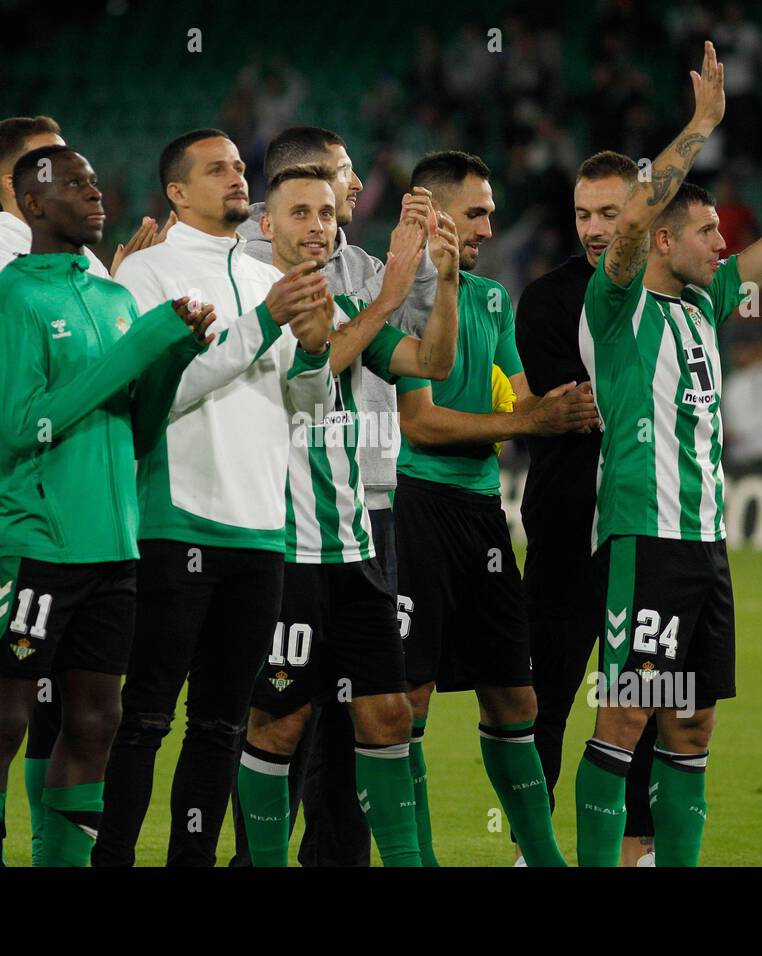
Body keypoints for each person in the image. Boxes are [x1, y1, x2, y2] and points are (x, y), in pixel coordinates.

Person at [574, 45, 762, 867]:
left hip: (705, 546)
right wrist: (701, 126)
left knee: (692, 721)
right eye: (706, 233)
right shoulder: (618, 302)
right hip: (643, 538)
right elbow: (627, 219)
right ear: (663, 240)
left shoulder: (710, 299)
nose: (722, 244)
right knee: (626, 714)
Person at [0, 145, 213, 867]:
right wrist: (143, 347)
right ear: (32, 205)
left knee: (98, 720)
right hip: (36, 538)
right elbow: (22, 423)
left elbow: (139, 428)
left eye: (96, 180)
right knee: (5, 719)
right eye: (74, 185)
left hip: (112, 542)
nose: (95, 194)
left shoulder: (114, 297)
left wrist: (174, 355)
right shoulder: (9, 297)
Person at [95, 129, 335, 867]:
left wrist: (318, 350)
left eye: (239, 165)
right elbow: (156, 396)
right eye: (218, 168)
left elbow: (308, 405)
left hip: (263, 532)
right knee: (144, 718)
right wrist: (266, 324)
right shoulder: (146, 276)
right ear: (176, 191)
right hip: (178, 520)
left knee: (222, 725)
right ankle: (111, 860)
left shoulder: (265, 275)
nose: (239, 176)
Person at [236, 163, 460, 866]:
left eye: (328, 215)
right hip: (286, 551)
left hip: (354, 545)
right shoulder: (255, 300)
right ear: (266, 226)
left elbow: (432, 359)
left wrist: (444, 282)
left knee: (388, 716)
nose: (317, 228)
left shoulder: (336, 308)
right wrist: (390, 294)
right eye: (300, 214)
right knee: (279, 722)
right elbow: (313, 373)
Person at [393, 149, 601, 867]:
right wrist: (528, 422)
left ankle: (542, 861)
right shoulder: (392, 294)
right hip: (413, 506)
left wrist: (579, 404)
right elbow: (419, 425)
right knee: (406, 704)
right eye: (476, 211)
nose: (490, 224)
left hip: (483, 516)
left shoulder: (491, 299)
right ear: (436, 212)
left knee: (517, 698)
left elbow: (519, 399)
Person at [0, 115, 109, 866]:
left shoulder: (85, 264)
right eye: (58, 163)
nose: (80, 177)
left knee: (78, 711)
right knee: (7, 707)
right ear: (24, 182)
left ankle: (50, 852)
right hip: (17, 511)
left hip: (90, 515)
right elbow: (10, 413)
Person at [515, 150, 658, 867]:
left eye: (611, 212)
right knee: (545, 697)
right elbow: (569, 406)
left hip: (646, 529)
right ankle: (531, 850)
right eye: (584, 214)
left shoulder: (672, 293)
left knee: (642, 705)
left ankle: (637, 850)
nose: (596, 228)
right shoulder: (545, 297)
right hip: (566, 527)